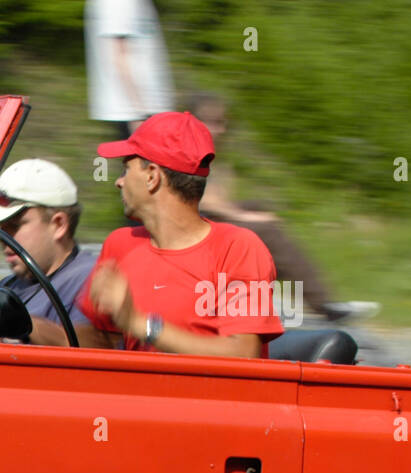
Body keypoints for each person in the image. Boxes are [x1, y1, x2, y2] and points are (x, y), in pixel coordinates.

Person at [78, 111, 283, 357]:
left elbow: (242, 352)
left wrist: (140, 324)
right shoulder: (119, 244)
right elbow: (98, 345)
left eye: (126, 170)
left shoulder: (239, 247)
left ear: (152, 176)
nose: (119, 182)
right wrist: (32, 328)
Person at [188, 91, 379, 322]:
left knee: (258, 208)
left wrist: (246, 212)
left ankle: (285, 297)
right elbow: (202, 200)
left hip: (201, 223)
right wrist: (244, 216)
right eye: (213, 123)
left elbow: (221, 197)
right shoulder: (186, 153)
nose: (221, 130)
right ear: (194, 122)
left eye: (223, 122)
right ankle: (321, 303)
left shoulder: (214, 156)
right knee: (264, 227)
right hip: (189, 228)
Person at [0, 159, 96, 346]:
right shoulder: (7, 286)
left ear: (59, 224)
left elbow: (92, 346)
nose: (1, 238)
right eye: (0, 228)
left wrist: (4, 320)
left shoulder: (89, 278)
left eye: (15, 226)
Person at [85, 0, 174, 139]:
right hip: (136, 113)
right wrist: (139, 114)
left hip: (146, 111)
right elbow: (118, 57)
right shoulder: (119, 3)